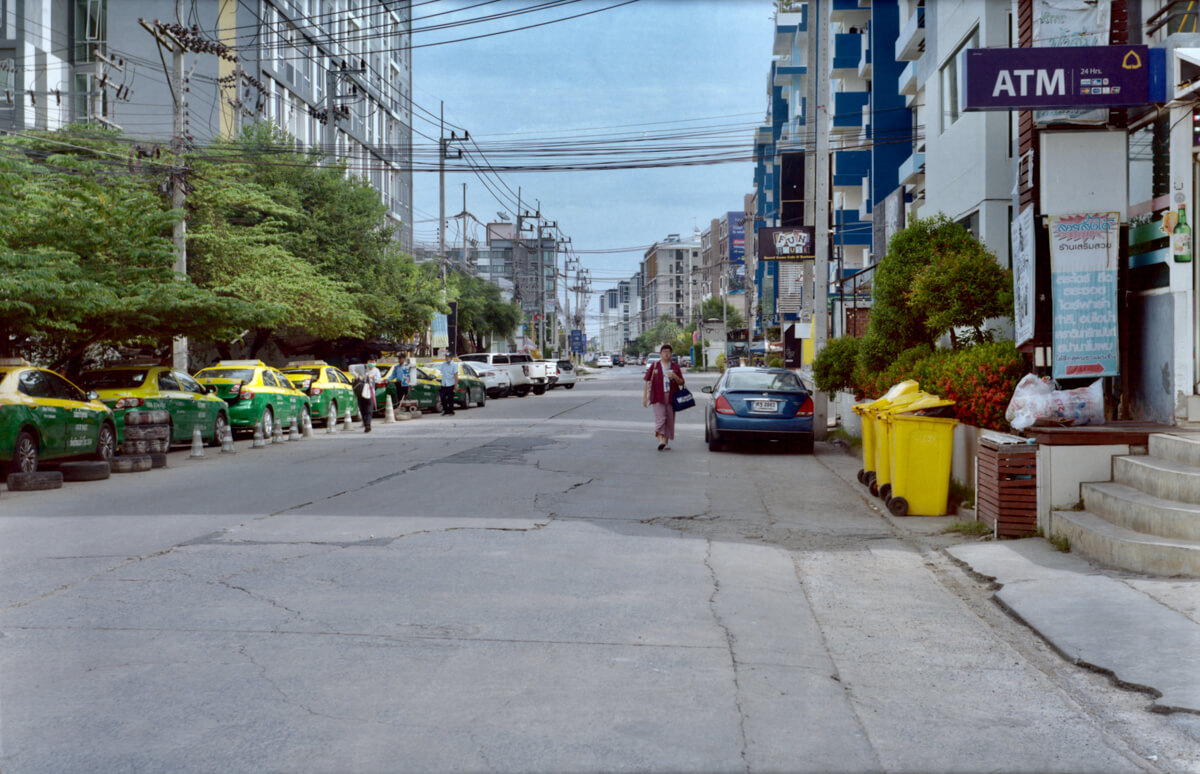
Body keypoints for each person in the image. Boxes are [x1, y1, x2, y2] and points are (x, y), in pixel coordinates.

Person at [643, 343, 685, 450]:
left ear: (671, 354)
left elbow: (681, 382)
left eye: (668, 352)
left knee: (670, 419)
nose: (666, 354)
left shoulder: (675, 367)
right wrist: (645, 397)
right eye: (664, 352)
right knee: (660, 418)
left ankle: (665, 442)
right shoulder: (655, 365)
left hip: (672, 396)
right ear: (661, 354)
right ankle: (660, 441)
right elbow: (647, 381)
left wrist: (675, 376)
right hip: (657, 396)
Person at [354, 360, 383, 433]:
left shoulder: (376, 371)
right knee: (362, 409)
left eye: (373, 362)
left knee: (369, 409)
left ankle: (368, 425)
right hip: (360, 391)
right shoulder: (362, 368)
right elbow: (351, 368)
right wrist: (357, 376)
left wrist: (372, 377)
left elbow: (379, 380)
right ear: (367, 361)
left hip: (369, 392)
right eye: (370, 361)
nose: (372, 363)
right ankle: (365, 423)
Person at [437, 350, 458, 416]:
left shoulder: (454, 364)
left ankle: (451, 411)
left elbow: (456, 375)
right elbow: (442, 374)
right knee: (442, 397)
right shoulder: (443, 364)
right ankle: (445, 410)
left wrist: (456, 385)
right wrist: (441, 383)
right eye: (446, 357)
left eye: (449, 357)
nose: (447, 358)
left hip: (451, 383)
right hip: (444, 384)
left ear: (451, 357)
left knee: (450, 398)